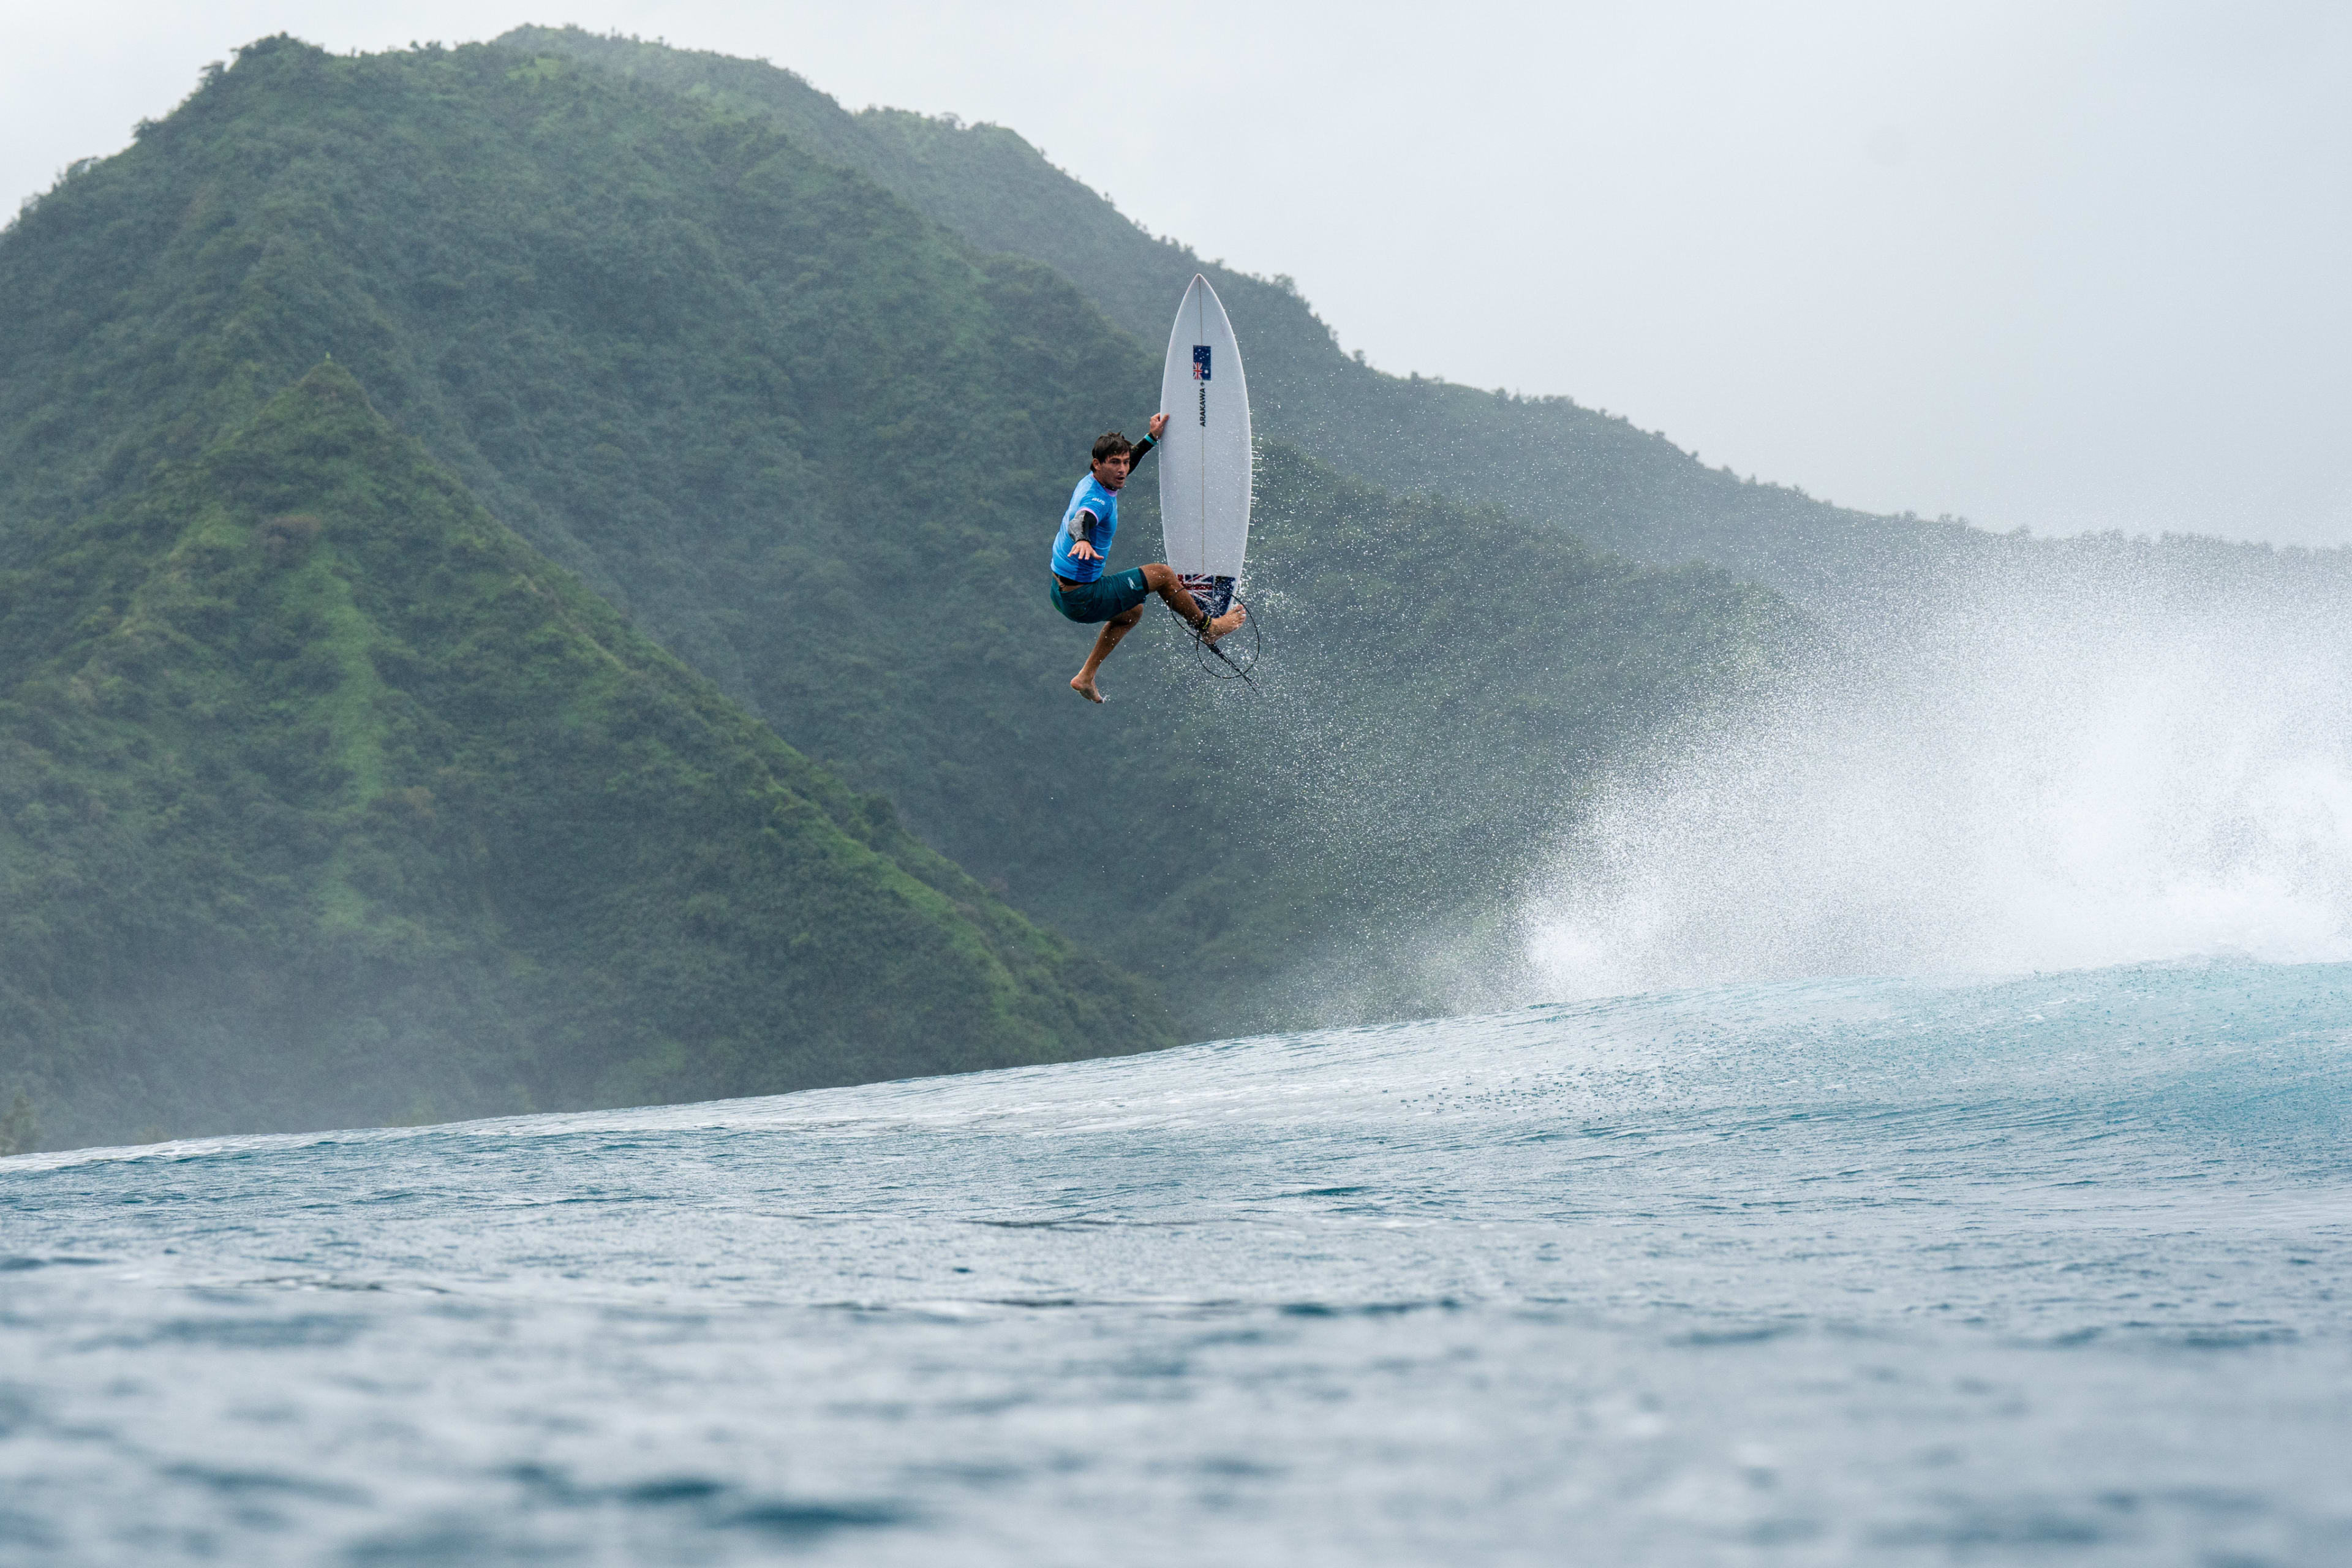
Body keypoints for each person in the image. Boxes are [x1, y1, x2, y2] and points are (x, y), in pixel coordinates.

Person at [1049, 414, 1247, 702]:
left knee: (1132, 612)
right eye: (1114, 463)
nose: (1122, 470)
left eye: (1125, 462)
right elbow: (1082, 519)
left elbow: (1124, 468)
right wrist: (1082, 538)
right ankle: (1209, 627)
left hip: (1061, 591)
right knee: (1163, 575)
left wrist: (1152, 438)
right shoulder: (1096, 500)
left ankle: (1086, 677)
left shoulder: (1095, 483)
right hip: (1083, 596)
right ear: (1097, 464)